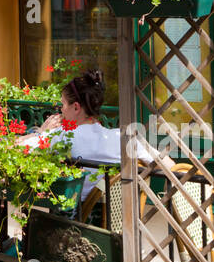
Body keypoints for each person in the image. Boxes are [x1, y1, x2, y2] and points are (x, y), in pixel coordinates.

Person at [19, 69, 171, 201]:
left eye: (63, 104)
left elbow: (15, 148)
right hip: (118, 220)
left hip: (72, 221)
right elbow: (170, 166)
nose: (61, 110)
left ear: (76, 107)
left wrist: (40, 132)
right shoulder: (123, 138)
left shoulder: (64, 137)